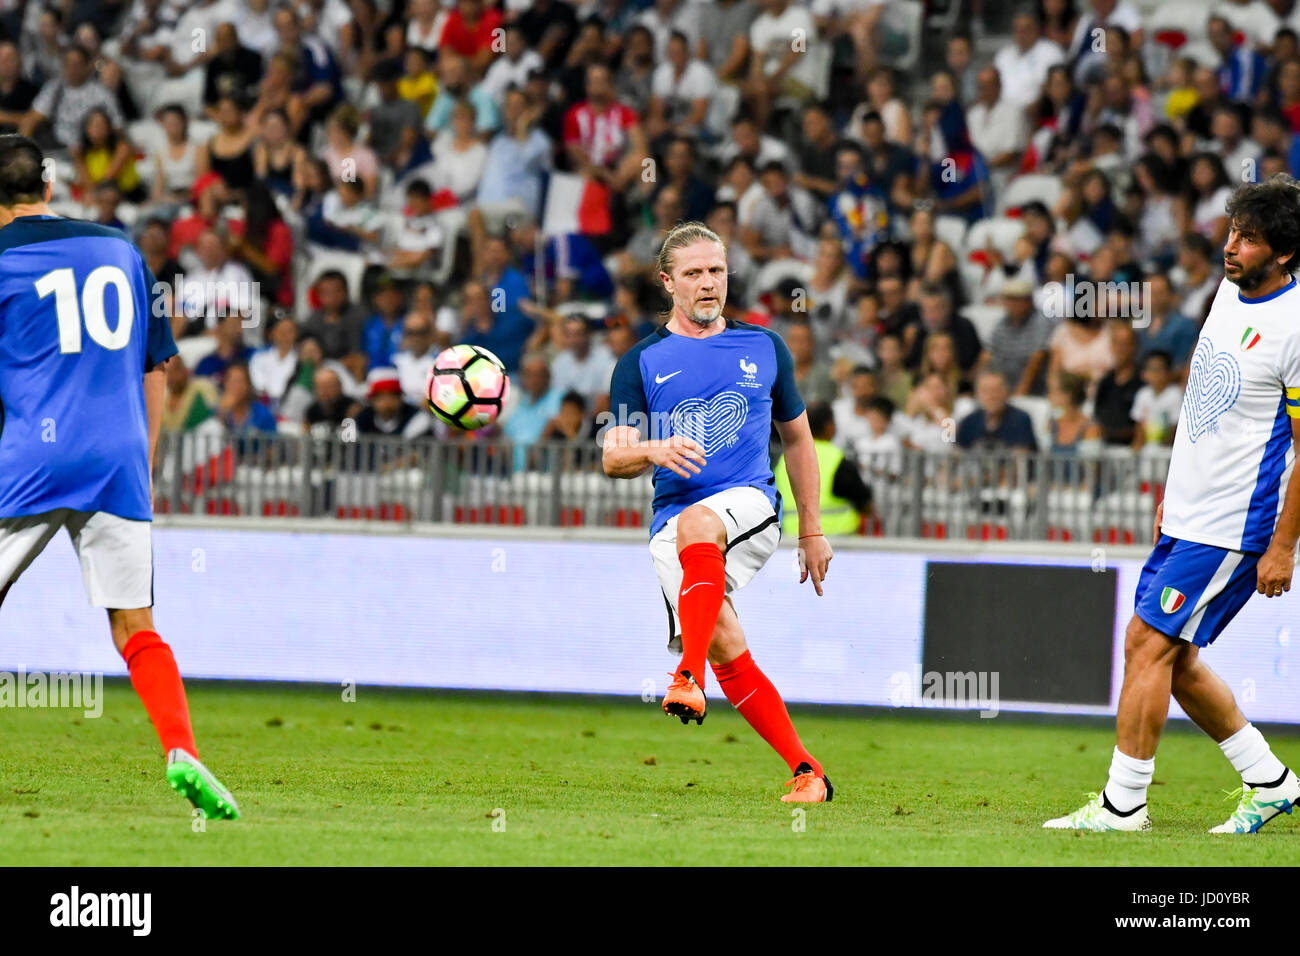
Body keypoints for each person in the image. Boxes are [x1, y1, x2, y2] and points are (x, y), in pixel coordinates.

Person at [1045, 174, 1300, 835]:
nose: (1232, 246)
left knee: (1148, 643)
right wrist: (1171, 490)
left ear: (1286, 252)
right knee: (1174, 656)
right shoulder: (1228, 291)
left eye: (1249, 238)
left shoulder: (1295, 325)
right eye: (1232, 231)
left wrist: (1282, 544)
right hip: (1189, 510)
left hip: (1235, 524)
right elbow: (1204, 402)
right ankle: (1270, 782)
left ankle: (1123, 805)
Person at [0, 133, 238, 819]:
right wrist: (146, 460)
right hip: (119, 460)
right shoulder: (123, 250)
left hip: (34, 459)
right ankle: (181, 749)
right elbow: (156, 366)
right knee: (137, 625)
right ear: (47, 189)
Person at [604, 221, 834, 802]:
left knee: (699, 523)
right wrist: (653, 448)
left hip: (748, 504)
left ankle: (687, 675)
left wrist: (811, 528)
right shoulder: (641, 362)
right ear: (667, 284)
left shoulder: (764, 346)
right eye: (694, 274)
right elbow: (613, 457)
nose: (709, 284)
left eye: (717, 271)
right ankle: (810, 774)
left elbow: (799, 440)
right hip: (670, 524)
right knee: (727, 641)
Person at [773, 401, 872, 536]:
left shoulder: (785, 458)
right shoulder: (836, 458)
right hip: (837, 541)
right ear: (828, 426)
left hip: (793, 538)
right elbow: (863, 501)